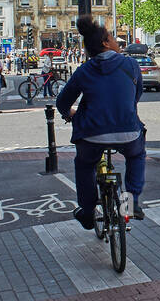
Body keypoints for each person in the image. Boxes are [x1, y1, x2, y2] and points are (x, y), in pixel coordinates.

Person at [56, 14, 146, 228]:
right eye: (113, 38)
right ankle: (129, 204)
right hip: (127, 132)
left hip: (91, 135)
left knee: (85, 165)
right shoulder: (130, 65)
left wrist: (71, 114)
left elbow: (62, 102)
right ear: (106, 43)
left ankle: (87, 211)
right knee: (136, 155)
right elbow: (136, 95)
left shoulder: (83, 71)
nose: (117, 42)